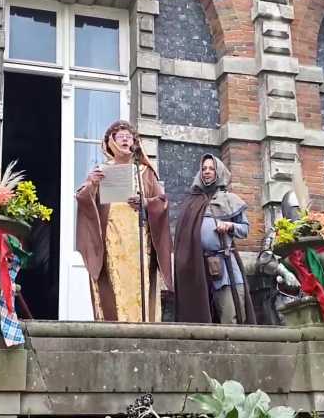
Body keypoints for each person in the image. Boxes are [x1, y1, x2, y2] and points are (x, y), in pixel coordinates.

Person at [75, 120, 173, 322]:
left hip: (139, 240)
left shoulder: (144, 171)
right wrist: (92, 183)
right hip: (111, 238)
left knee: (138, 282)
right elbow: (84, 199)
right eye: (121, 137)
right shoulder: (101, 171)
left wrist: (146, 203)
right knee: (114, 283)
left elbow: (162, 201)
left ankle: (142, 323)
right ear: (111, 141)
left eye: (129, 137)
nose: (126, 141)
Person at [174, 154, 255, 324]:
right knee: (201, 313)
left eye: (211, 168)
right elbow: (183, 235)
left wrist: (230, 226)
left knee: (231, 309)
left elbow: (245, 229)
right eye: (204, 169)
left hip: (224, 263)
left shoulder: (230, 200)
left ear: (218, 172)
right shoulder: (192, 201)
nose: (207, 172)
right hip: (198, 266)